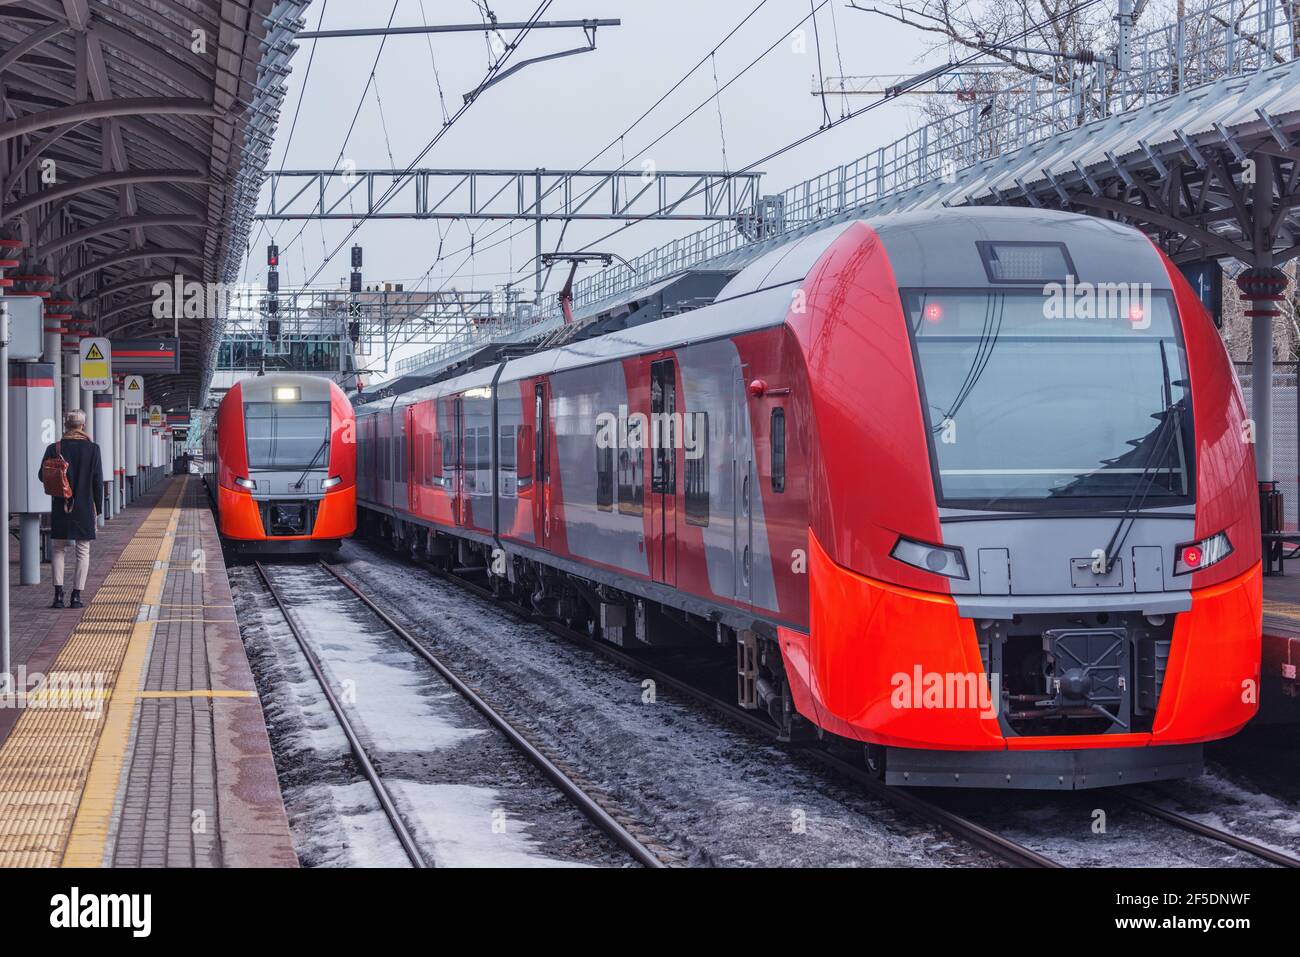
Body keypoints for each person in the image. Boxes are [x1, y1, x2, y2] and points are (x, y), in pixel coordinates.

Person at [39, 409, 103, 609]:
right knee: (83, 551)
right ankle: (76, 596)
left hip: (61, 505)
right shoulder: (93, 449)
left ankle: (58, 596)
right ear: (82, 426)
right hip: (83, 506)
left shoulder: (54, 448)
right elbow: (97, 481)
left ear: (66, 425)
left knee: (58, 549)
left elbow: (42, 476)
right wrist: (98, 508)